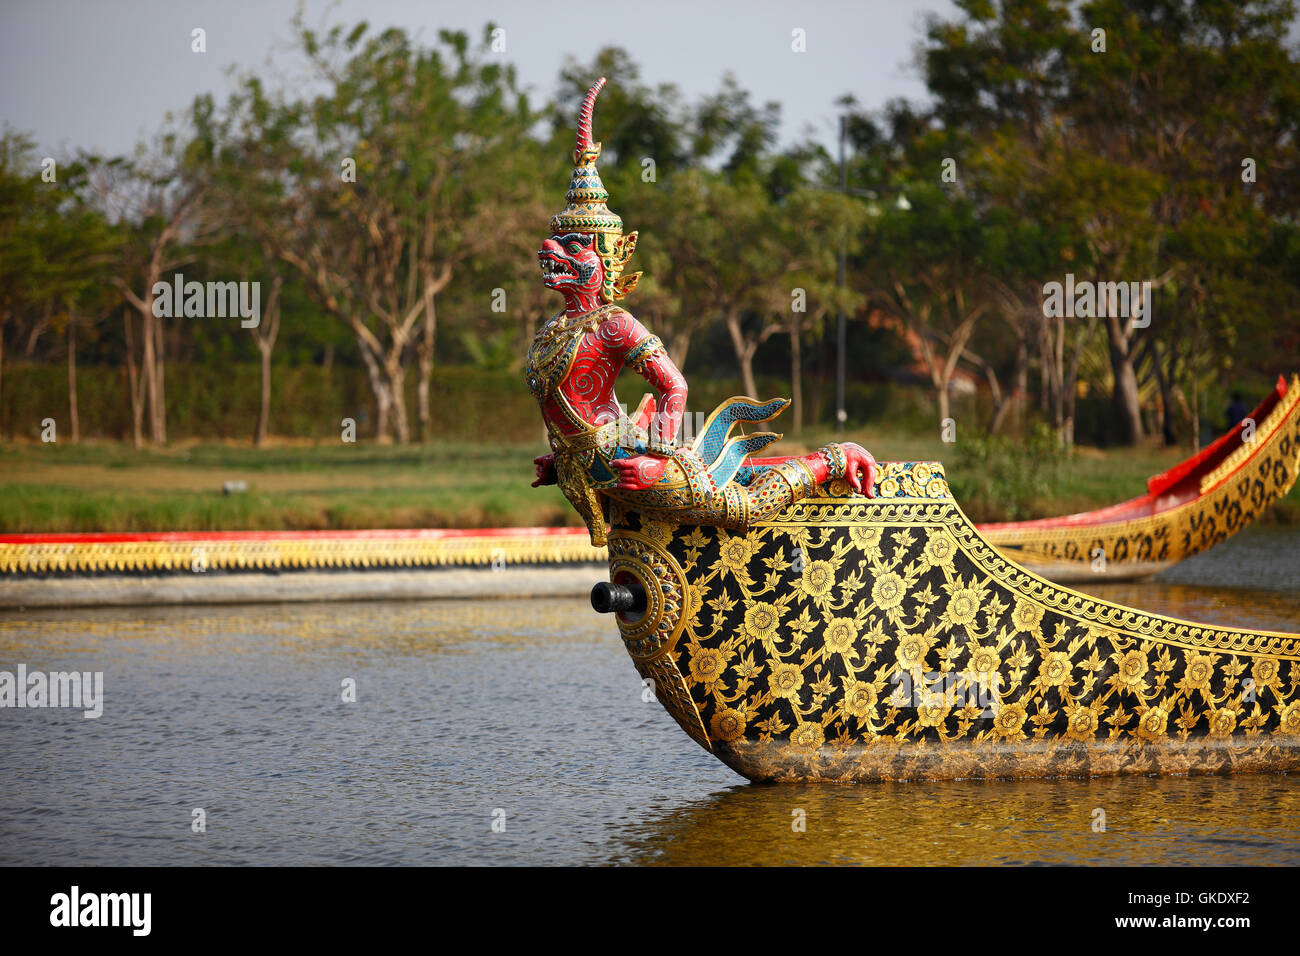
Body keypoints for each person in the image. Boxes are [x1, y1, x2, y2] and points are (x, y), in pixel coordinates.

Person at [526, 78, 876, 546]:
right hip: (596, 467)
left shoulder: (614, 323)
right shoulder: (553, 330)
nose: (554, 251)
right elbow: (570, 405)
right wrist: (562, 456)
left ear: (606, 258)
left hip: (641, 463)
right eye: (557, 242)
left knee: (746, 510)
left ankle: (831, 458)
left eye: (574, 245)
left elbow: (674, 385)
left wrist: (659, 459)